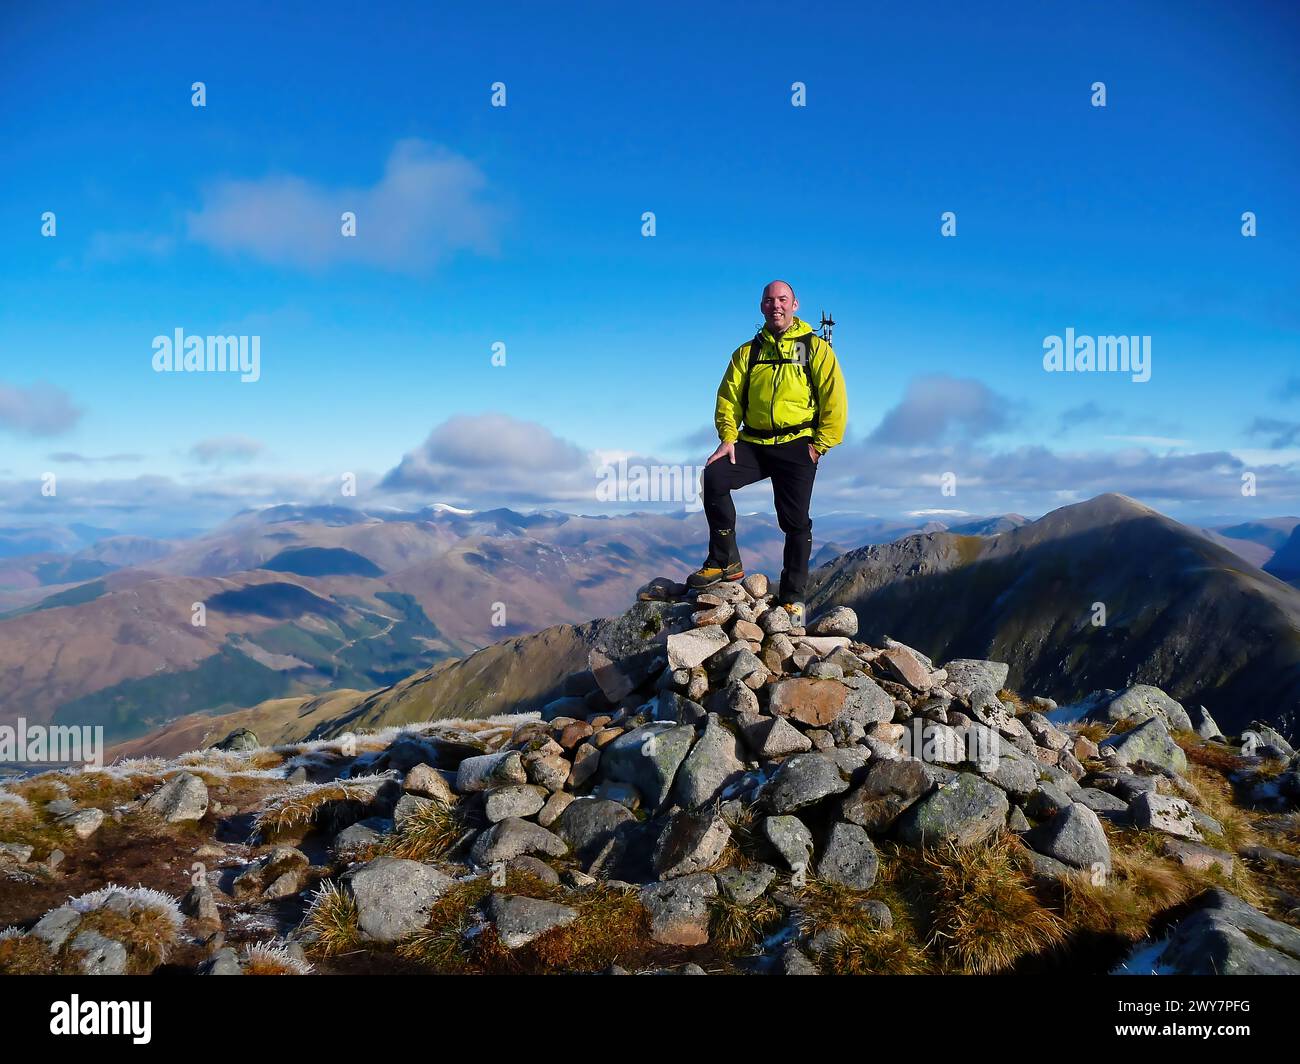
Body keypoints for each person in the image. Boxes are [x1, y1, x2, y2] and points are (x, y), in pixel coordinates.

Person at [689, 280, 847, 626]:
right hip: (754, 442)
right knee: (714, 476)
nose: (776, 305)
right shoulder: (749, 352)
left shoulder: (814, 348)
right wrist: (728, 438)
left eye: (783, 300)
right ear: (761, 306)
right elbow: (728, 398)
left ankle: (792, 598)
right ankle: (724, 560)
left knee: (794, 521)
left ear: (795, 305)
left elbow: (834, 400)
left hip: (797, 444)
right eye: (769, 300)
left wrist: (820, 445)